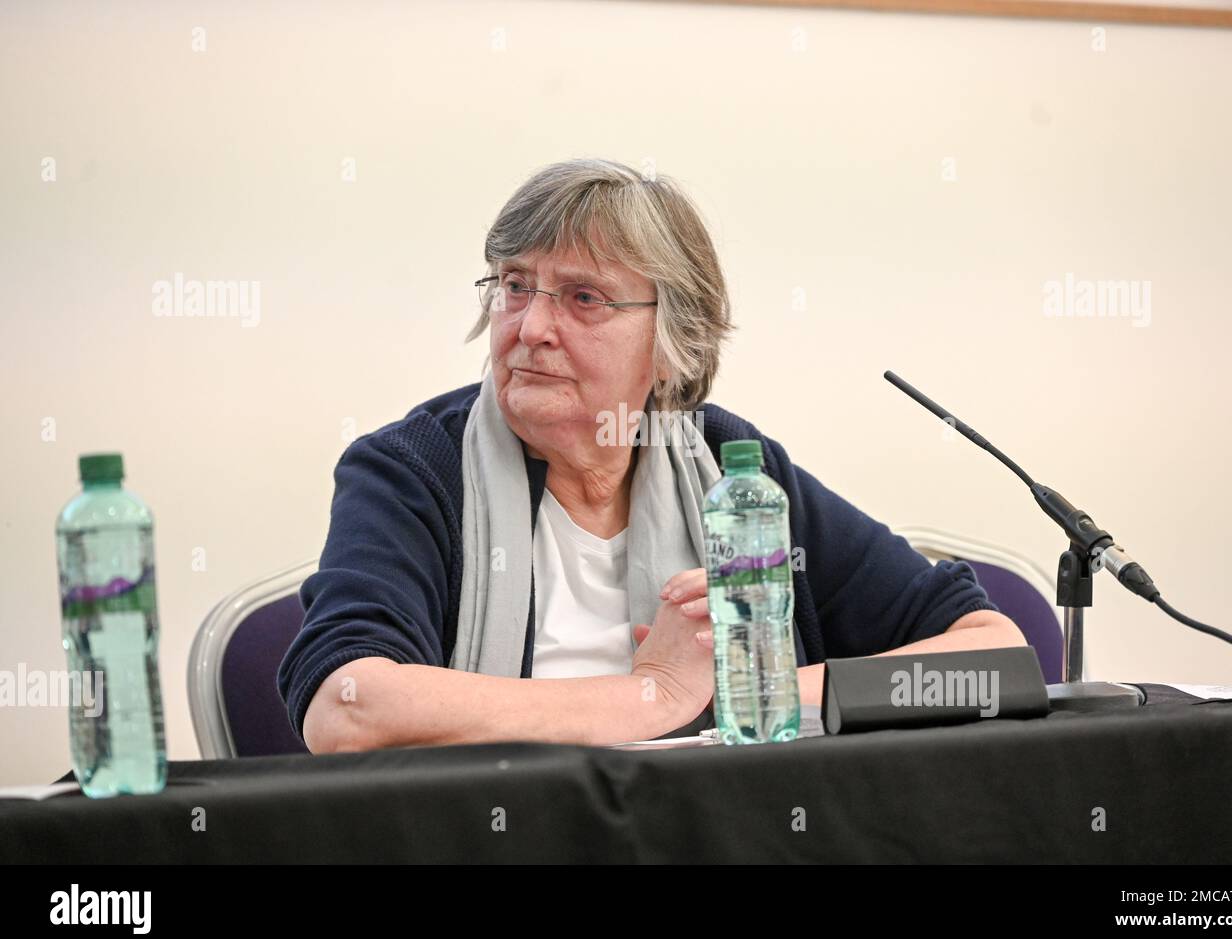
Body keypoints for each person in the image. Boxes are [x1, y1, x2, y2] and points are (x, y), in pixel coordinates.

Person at [277, 158, 1026, 754]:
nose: (531, 325)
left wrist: (751, 692)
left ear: (672, 343)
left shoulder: (737, 473)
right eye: (514, 286)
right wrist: (654, 695)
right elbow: (348, 708)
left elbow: (987, 657)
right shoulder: (415, 470)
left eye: (583, 298)